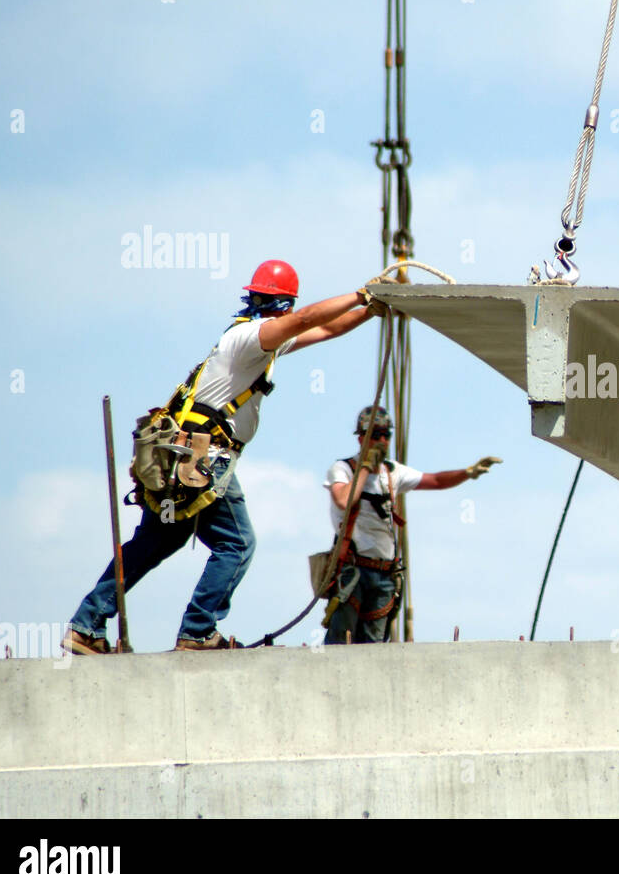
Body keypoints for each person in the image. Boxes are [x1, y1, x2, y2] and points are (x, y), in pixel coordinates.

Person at [63, 260, 391, 654]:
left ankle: (86, 625)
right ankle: (199, 631)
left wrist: (368, 312)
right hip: (204, 459)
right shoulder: (252, 337)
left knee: (149, 546)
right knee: (237, 543)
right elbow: (307, 318)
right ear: (283, 305)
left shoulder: (255, 340)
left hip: (183, 459)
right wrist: (360, 294)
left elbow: (325, 328)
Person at [323, 406, 500, 645]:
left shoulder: (392, 472)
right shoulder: (344, 469)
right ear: (361, 438)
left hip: (383, 573)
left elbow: (435, 480)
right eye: (375, 435)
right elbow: (344, 500)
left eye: (386, 435)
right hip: (353, 571)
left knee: (372, 646)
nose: (382, 441)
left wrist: (467, 473)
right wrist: (365, 466)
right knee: (341, 641)